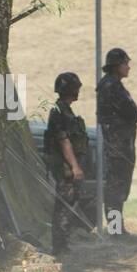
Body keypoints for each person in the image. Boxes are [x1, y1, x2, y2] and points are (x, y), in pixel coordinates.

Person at [44, 72, 91, 256]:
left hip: (68, 166)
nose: (78, 91)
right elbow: (63, 141)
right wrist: (75, 167)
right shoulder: (59, 112)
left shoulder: (65, 111)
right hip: (65, 168)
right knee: (64, 205)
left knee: (69, 203)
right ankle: (60, 247)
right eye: (76, 88)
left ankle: (63, 244)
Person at [96, 47, 137, 235]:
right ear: (116, 66)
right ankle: (115, 230)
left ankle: (117, 228)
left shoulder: (112, 84)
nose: (128, 67)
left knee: (119, 189)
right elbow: (133, 113)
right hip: (118, 146)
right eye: (125, 63)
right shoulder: (111, 86)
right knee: (116, 189)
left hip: (121, 144)